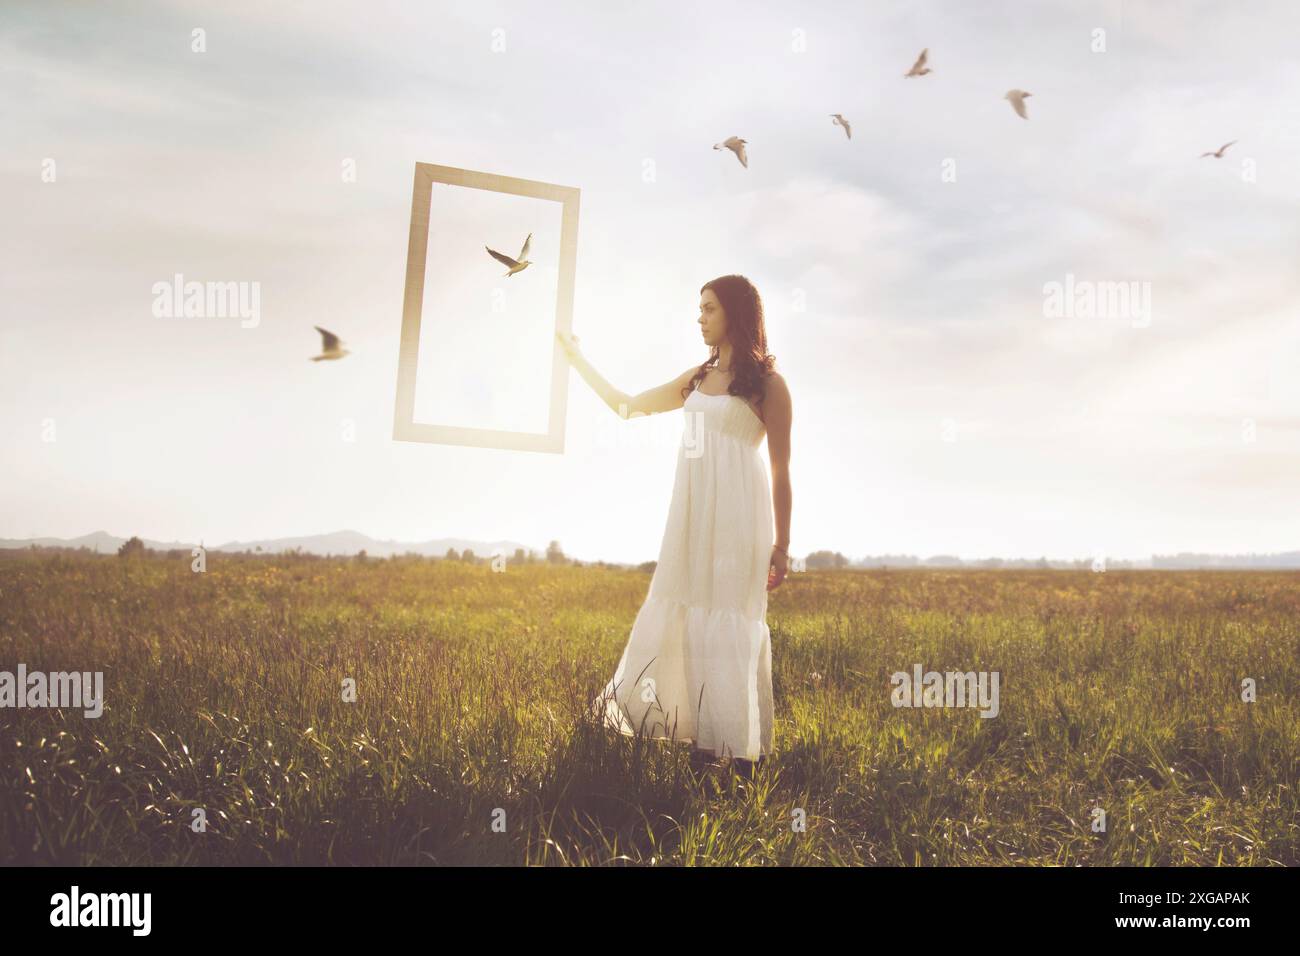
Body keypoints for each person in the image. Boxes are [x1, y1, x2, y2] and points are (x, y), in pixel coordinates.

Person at [555, 274, 792, 778]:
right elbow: (627, 406)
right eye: (698, 309)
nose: (700, 317)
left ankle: (730, 759)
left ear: (735, 312)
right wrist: (575, 359)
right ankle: (692, 743)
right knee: (684, 612)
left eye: (708, 308)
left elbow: (781, 470)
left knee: (726, 620)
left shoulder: (769, 385)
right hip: (689, 516)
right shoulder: (697, 378)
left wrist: (783, 545)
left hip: (738, 520)